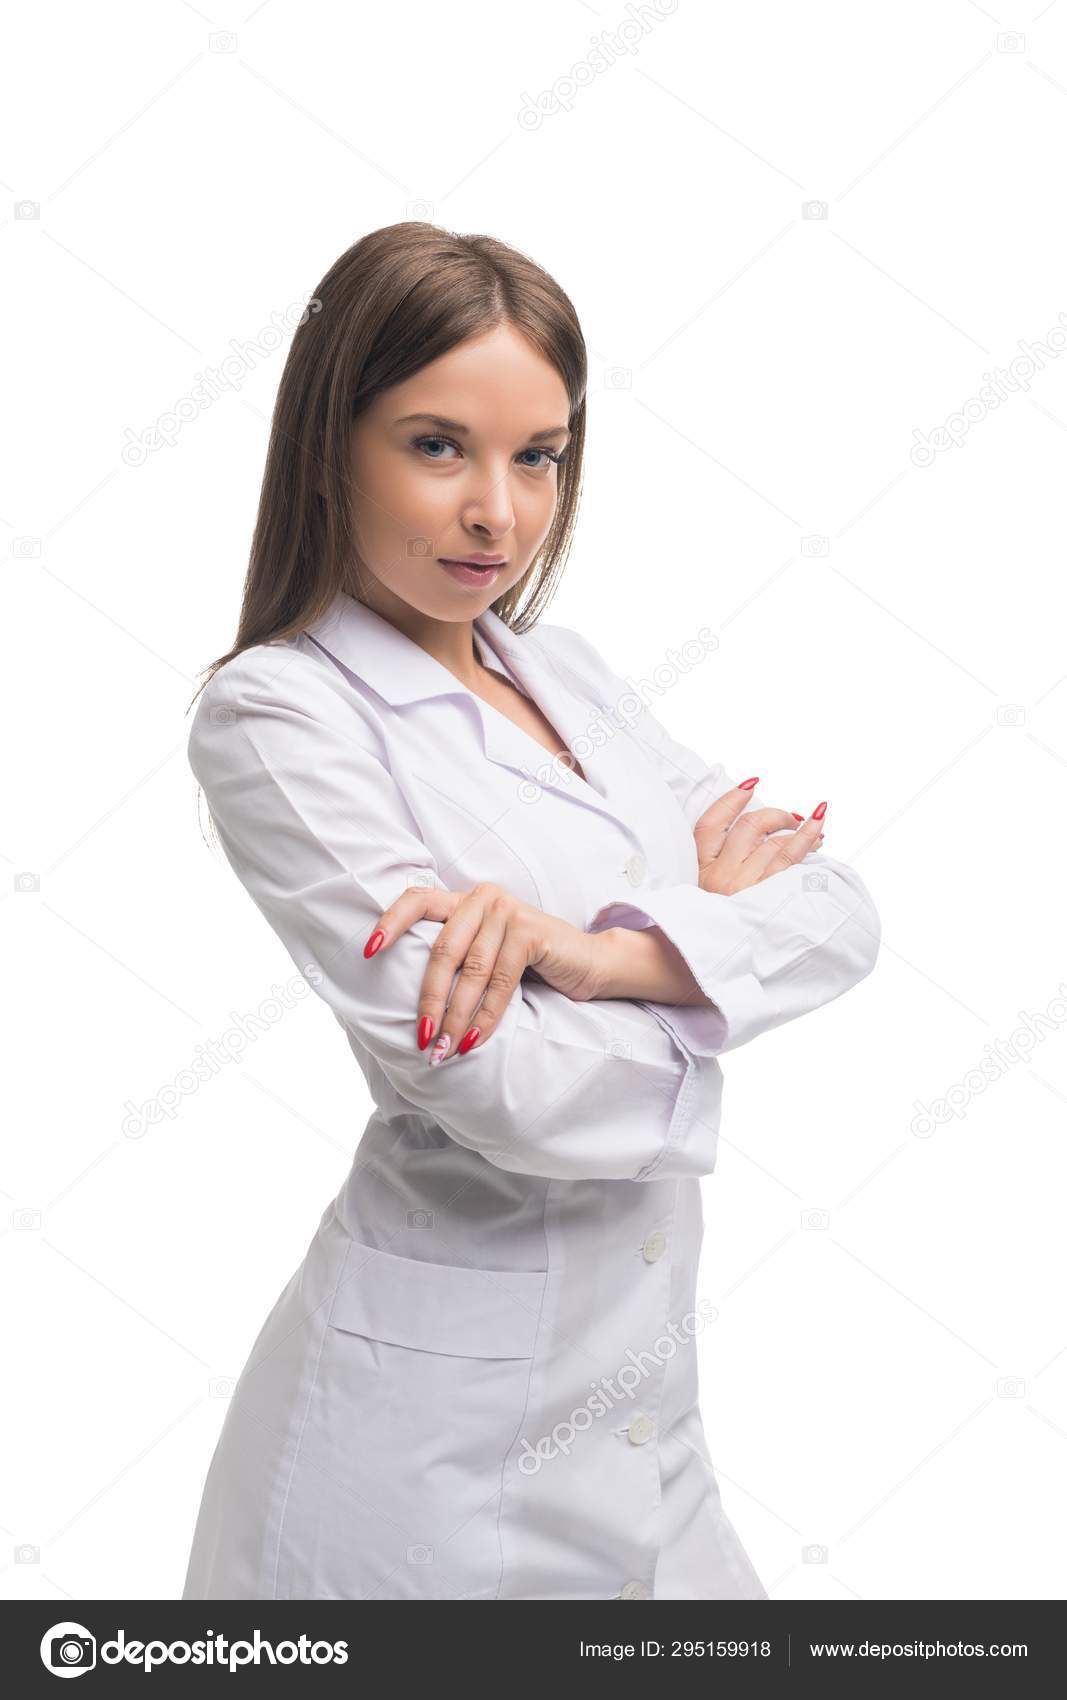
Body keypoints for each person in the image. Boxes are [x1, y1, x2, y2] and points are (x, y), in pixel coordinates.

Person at [181, 222, 880, 1601]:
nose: (497, 512)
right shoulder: (279, 716)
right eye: (438, 446)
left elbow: (838, 911)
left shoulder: (568, 675)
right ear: (331, 444)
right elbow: (510, 1092)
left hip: (645, 1418)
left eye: (539, 455)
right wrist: (706, 949)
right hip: (425, 1461)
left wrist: (600, 957)